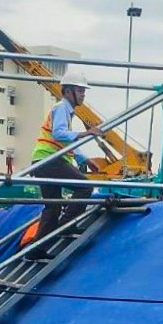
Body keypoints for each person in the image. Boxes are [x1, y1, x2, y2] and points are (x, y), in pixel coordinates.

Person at [30, 70, 102, 244]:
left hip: (43, 160)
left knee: (53, 206)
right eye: (80, 91)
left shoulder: (66, 112)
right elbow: (59, 133)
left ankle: (36, 249)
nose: (83, 95)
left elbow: (66, 143)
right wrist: (85, 133)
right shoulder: (61, 108)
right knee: (85, 186)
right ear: (69, 91)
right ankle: (67, 224)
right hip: (49, 159)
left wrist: (83, 159)